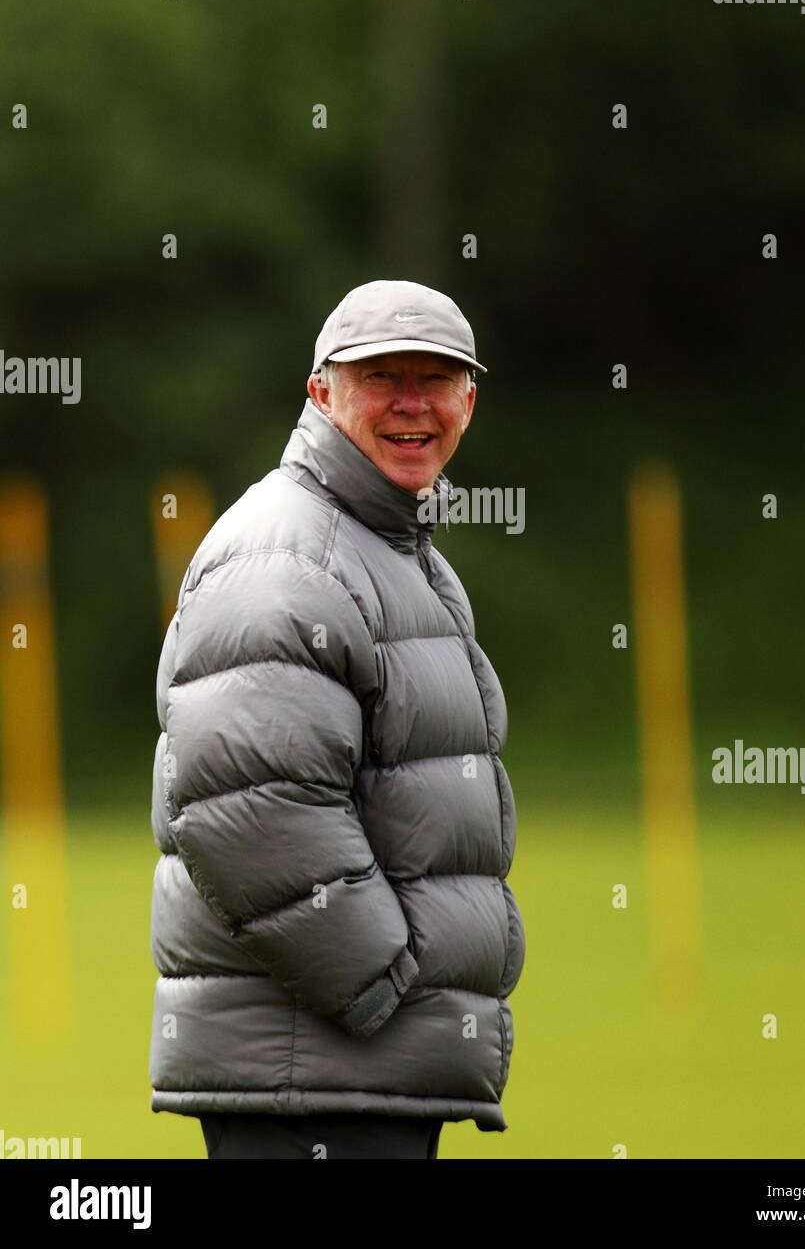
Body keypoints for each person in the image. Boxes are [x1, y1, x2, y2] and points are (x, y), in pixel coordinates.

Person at [148, 279, 525, 1159]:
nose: (411, 403)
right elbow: (248, 811)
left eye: (435, 379)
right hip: (314, 1074)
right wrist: (382, 986)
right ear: (321, 391)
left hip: (353, 1072)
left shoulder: (384, 543)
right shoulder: (290, 551)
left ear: (468, 398)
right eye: (380, 376)